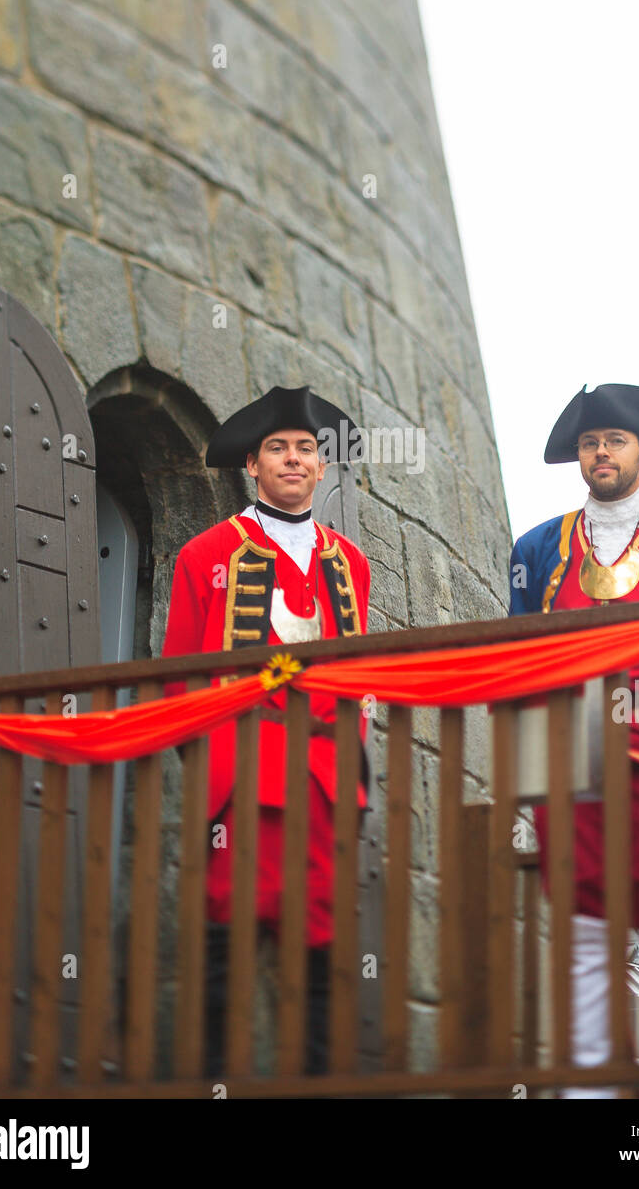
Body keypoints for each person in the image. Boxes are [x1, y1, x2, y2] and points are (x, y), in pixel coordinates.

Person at [509, 382, 639, 1098]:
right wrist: (525, 788)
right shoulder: (537, 547)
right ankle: (589, 1084)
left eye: (615, 441)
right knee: (586, 916)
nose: (602, 452)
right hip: (574, 747)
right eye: (591, 443)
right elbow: (522, 666)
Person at [161, 385, 371, 1075]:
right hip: (240, 776)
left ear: (322, 466)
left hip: (325, 780)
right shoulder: (206, 554)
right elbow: (180, 675)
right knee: (223, 936)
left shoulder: (352, 564)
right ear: (252, 466)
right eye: (277, 449)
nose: (292, 460)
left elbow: (362, 674)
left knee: (324, 945)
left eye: (305, 449)